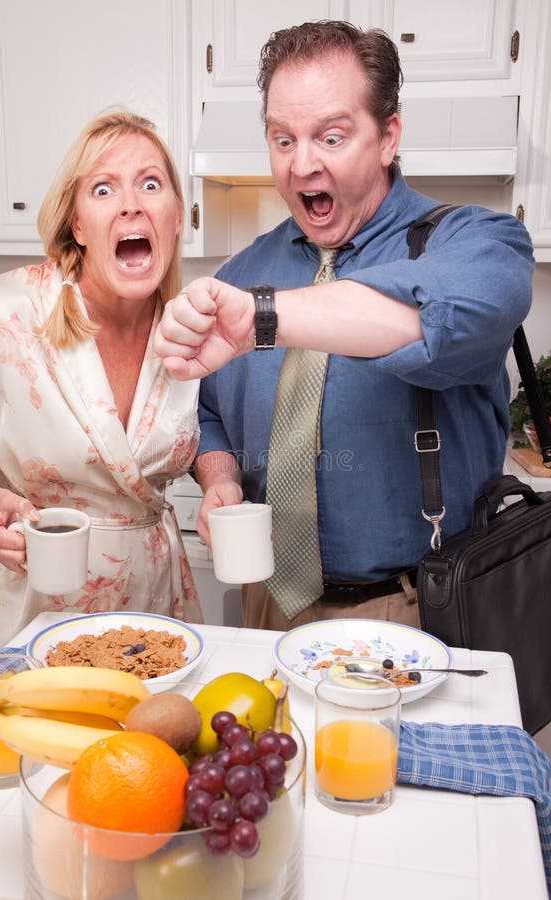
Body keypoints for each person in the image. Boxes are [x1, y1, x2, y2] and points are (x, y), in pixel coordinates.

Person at [153, 20, 535, 633]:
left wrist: (266, 318)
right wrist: (220, 475)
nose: (302, 165)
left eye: (330, 137)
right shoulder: (246, 270)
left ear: (388, 137)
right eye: (283, 140)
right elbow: (206, 410)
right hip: (270, 603)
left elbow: (446, 316)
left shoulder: (477, 243)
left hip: (416, 609)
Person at [0, 110, 202, 664]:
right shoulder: (2, 317)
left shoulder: (188, 330)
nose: (131, 204)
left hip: (151, 617)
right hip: (31, 612)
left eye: (151, 184)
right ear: (77, 225)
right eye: (104, 187)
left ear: (177, 216)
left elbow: (213, 440)